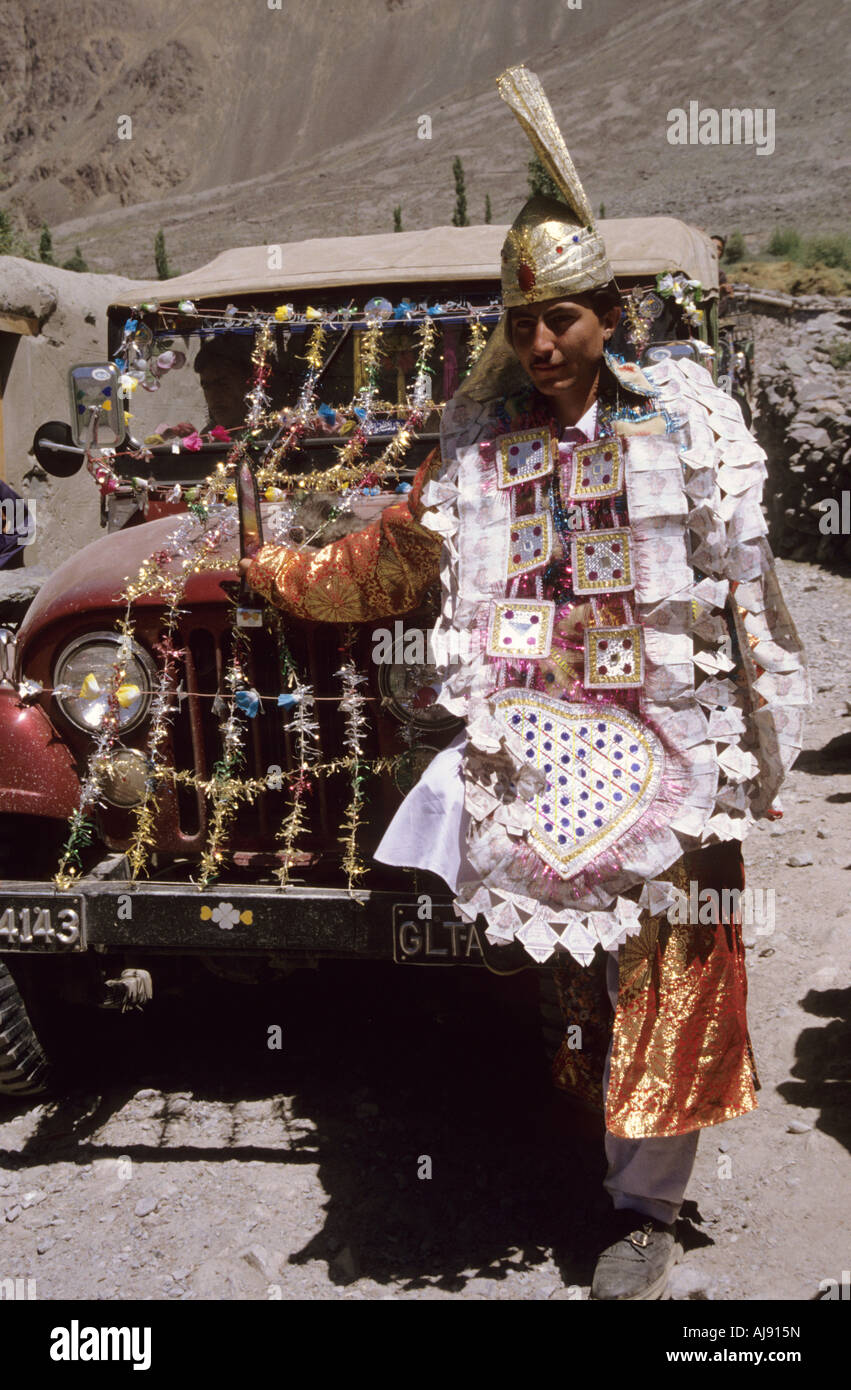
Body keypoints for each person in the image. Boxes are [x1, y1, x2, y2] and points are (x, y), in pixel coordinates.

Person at [240, 67, 809, 1299]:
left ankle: (643, 1205)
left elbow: (742, 591)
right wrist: (276, 569)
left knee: (677, 961)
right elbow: (384, 563)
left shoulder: (691, 427)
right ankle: (564, 1139)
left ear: (608, 311)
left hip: (673, 745)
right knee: (551, 969)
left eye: (562, 317)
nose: (542, 345)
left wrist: (755, 743)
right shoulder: (473, 449)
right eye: (521, 323)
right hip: (532, 744)